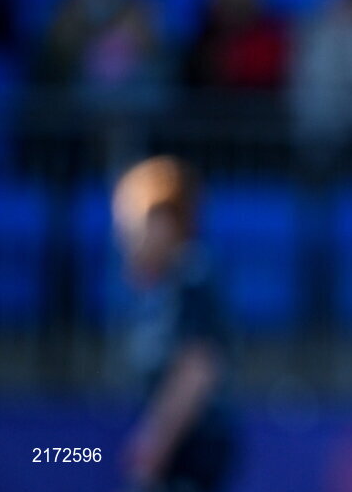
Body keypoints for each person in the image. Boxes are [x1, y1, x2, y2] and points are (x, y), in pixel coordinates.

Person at [113, 156, 236, 492]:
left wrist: (154, 445)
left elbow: (198, 368)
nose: (125, 237)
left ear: (164, 221)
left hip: (192, 453)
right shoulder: (158, 288)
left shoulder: (192, 278)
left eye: (132, 225)